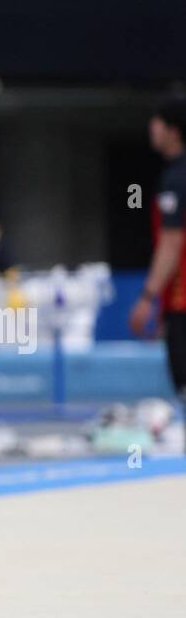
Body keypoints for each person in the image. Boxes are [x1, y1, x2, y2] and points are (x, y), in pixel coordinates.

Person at [130, 96, 186, 404]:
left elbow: (172, 242)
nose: (152, 127)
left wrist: (148, 298)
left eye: (158, 122)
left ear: (173, 131)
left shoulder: (176, 180)